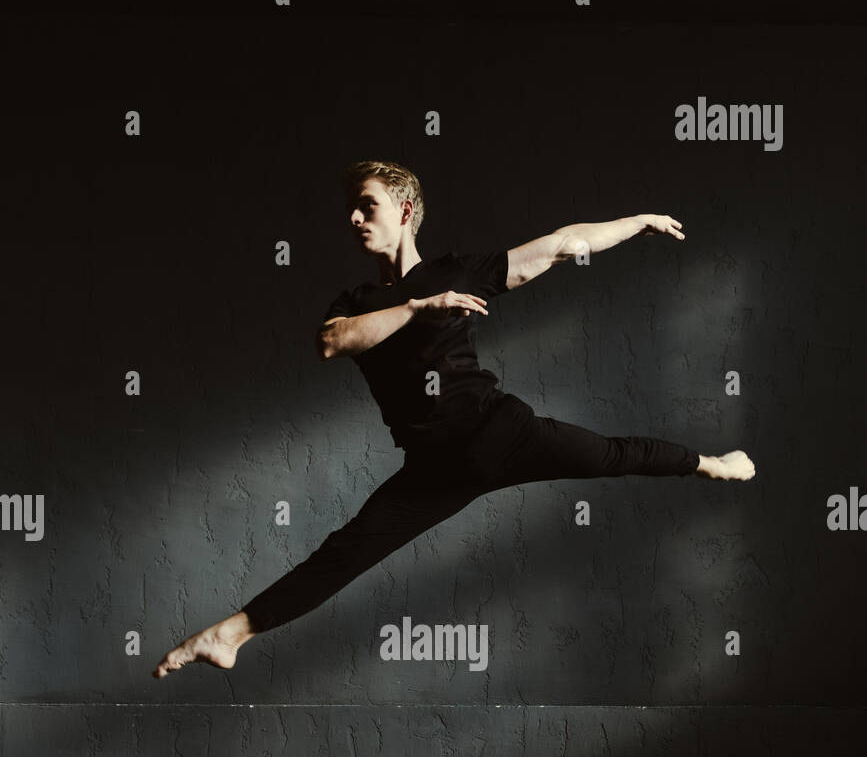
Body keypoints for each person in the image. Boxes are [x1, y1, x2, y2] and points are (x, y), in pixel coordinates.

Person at [153, 159, 754, 678]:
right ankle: (228, 636)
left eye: (368, 206)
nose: (355, 219)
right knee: (344, 554)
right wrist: (418, 307)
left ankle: (709, 464)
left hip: (501, 432)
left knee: (612, 455)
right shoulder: (357, 303)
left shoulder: (458, 271)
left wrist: (638, 222)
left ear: (406, 208)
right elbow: (334, 343)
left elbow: (563, 242)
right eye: (351, 210)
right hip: (435, 469)